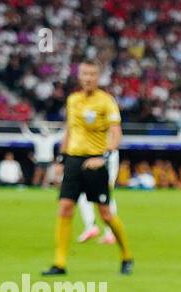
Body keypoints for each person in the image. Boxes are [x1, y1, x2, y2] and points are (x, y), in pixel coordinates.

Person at [42, 60, 133, 276]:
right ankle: (60, 263)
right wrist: (60, 159)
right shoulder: (73, 100)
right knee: (65, 207)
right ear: (79, 76)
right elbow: (69, 130)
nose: (88, 78)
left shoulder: (106, 101)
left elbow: (116, 132)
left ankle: (126, 255)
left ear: (98, 77)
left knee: (106, 214)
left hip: (95, 160)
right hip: (73, 159)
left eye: (92, 74)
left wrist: (105, 156)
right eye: (84, 74)